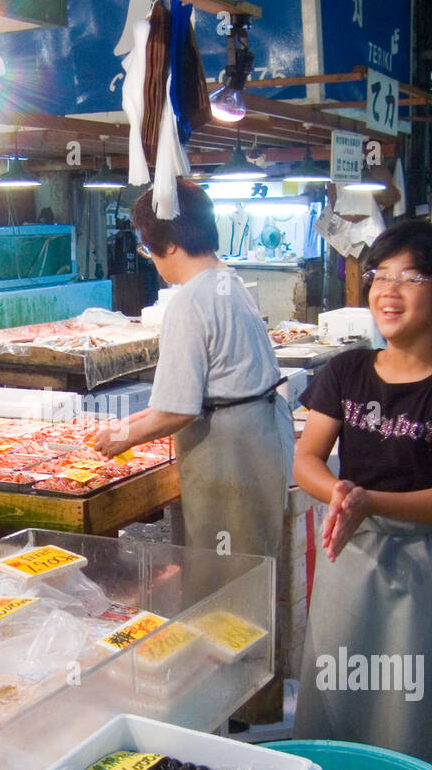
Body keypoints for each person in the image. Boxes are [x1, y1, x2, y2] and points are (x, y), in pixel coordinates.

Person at [291, 220, 432, 770]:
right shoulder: (346, 371)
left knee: (414, 702)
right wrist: (341, 493)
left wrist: (370, 501)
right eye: (380, 275)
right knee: (338, 686)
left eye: (409, 277)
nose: (387, 290)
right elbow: (307, 458)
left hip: (424, 565)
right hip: (350, 554)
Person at [92, 179, 293, 563]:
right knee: (250, 563)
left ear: (167, 245)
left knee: (223, 575)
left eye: (149, 248)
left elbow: (179, 410)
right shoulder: (228, 281)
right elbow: (197, 393)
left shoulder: (191, 300)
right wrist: (130, 423)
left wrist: (124, 438)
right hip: (258, 438)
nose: (152, 257)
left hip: (229, 452)